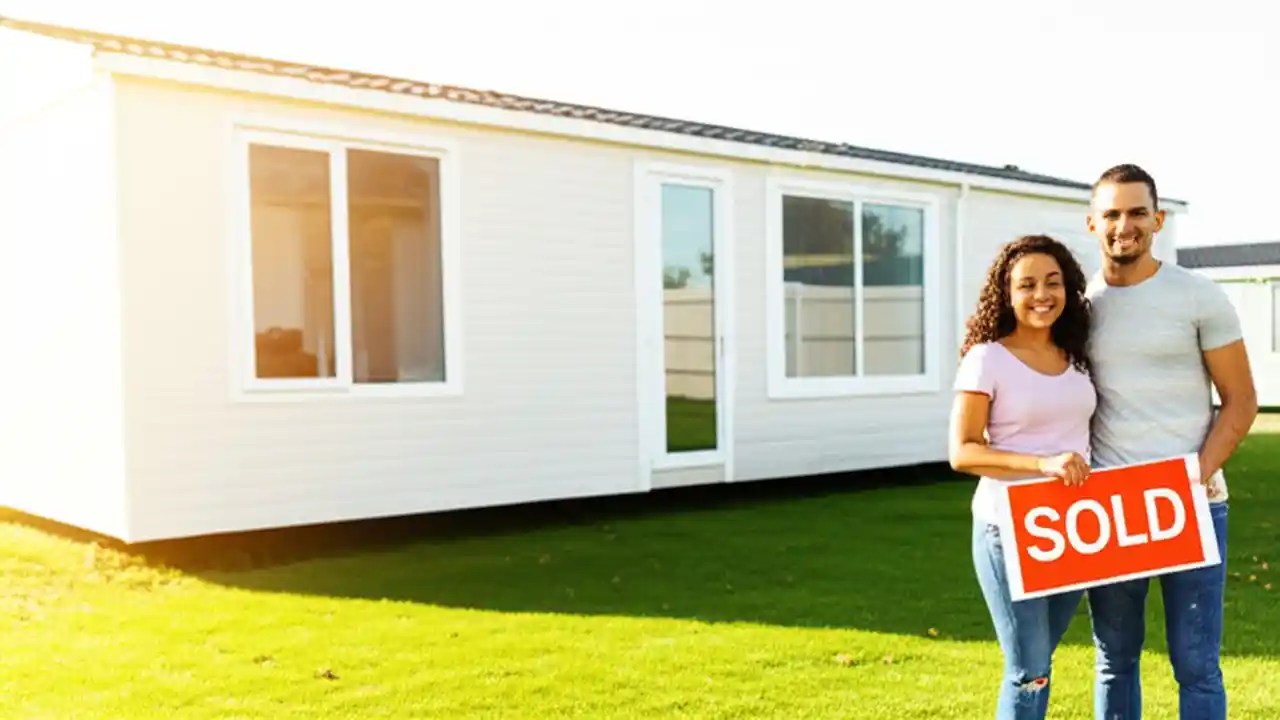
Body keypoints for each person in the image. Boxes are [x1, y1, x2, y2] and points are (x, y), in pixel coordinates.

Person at [1083, 163, 1258, 720]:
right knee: (1115, 659)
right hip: (1111, 509)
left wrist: (1195, 475)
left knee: (1196, 664)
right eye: (1111, 213)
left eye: (1137, 212)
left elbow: (1241, 401)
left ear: (1158, 219)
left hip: (1194, 504)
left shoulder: (1198, 296)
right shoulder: (1075, 306)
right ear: (1092, 224)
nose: (1124, 225)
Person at [949, 234, 1096, 720]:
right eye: (1027, 285)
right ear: (1006, 294)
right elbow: (963, 451)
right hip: (1008, 528)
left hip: (1072, 528)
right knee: (1029, 669)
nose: (1041, 295)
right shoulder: (987, 358)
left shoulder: (1076, 357)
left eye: (1053, 283)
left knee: (1038, 663)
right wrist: (1042, 464)